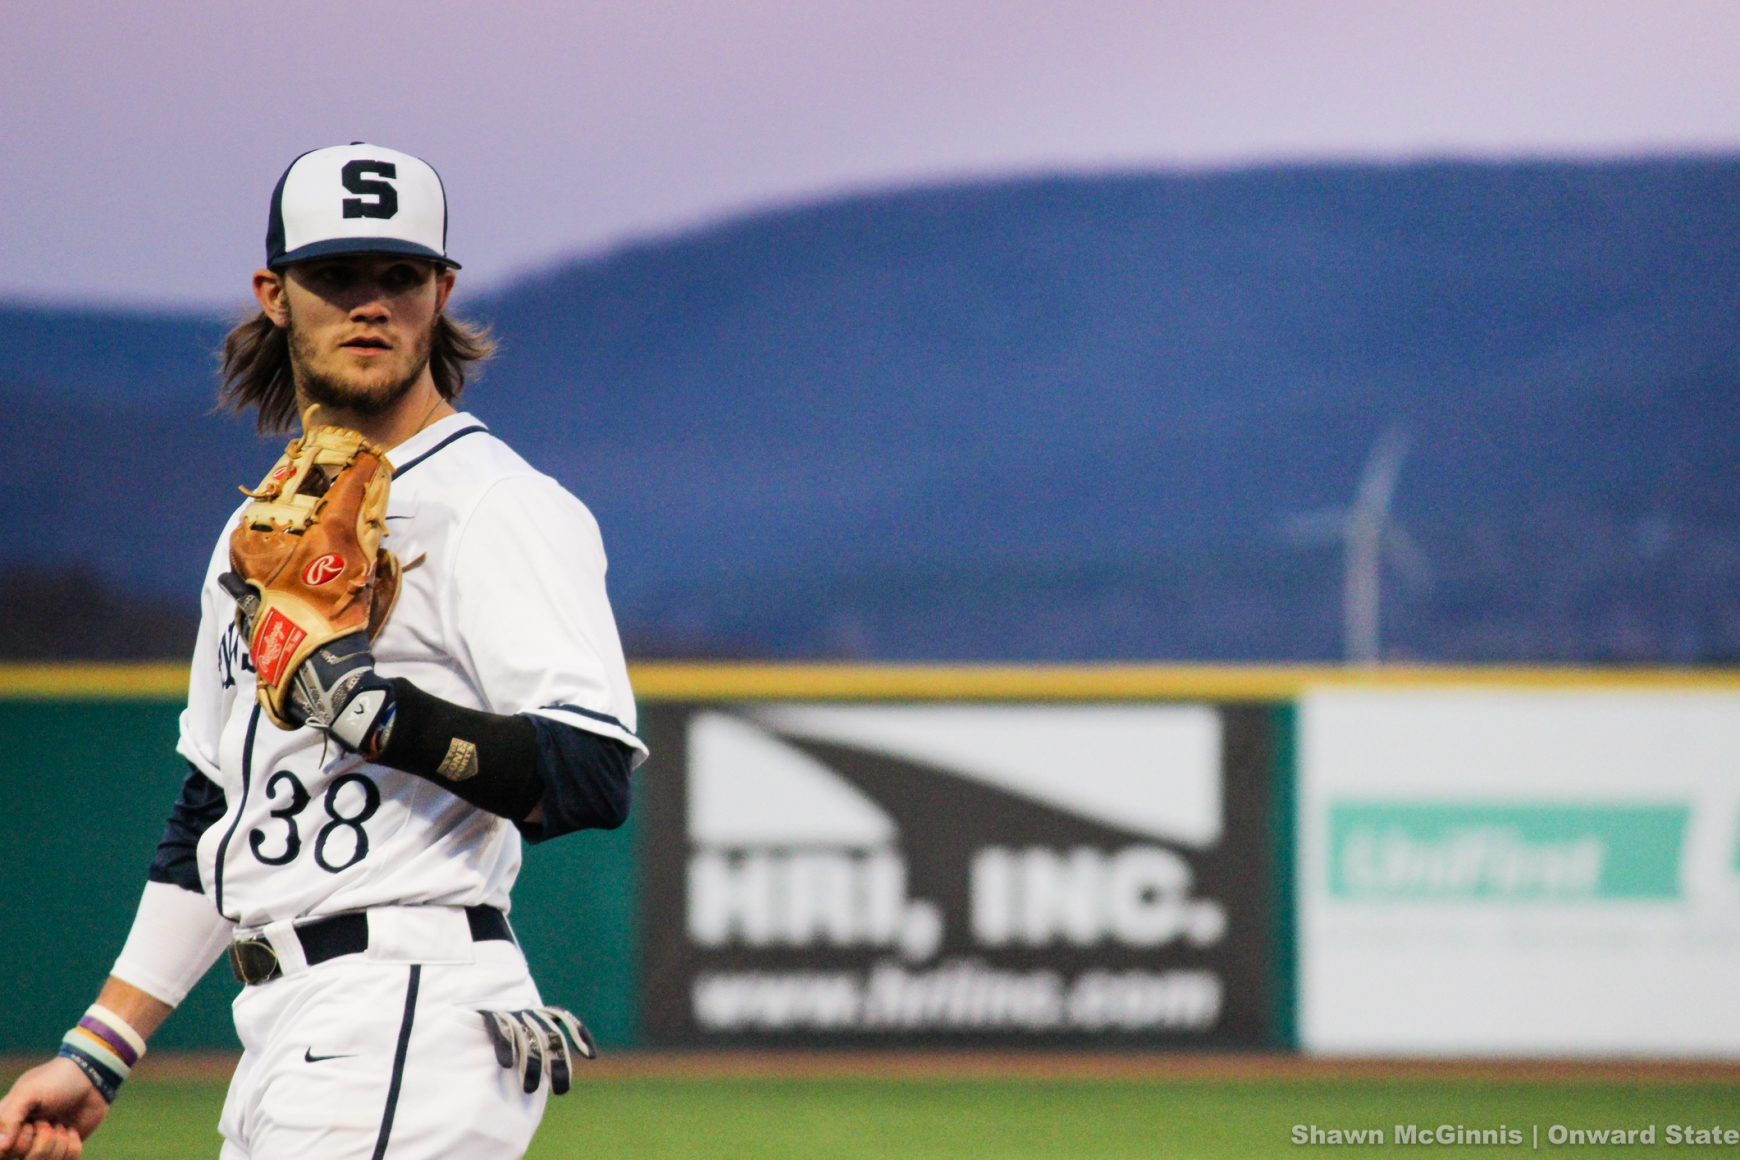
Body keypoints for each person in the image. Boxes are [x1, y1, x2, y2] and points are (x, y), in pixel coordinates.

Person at [0, 143, 644, 1160]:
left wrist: (377, 714)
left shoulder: (497, 503)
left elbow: (592, 771)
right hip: (289, 1032)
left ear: (442, 293)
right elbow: (218, 808)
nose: (370, 303)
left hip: (409, 1007)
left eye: (399, 275)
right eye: (336, 275)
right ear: (275, 295)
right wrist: (100, 1048)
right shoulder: (258, 528)